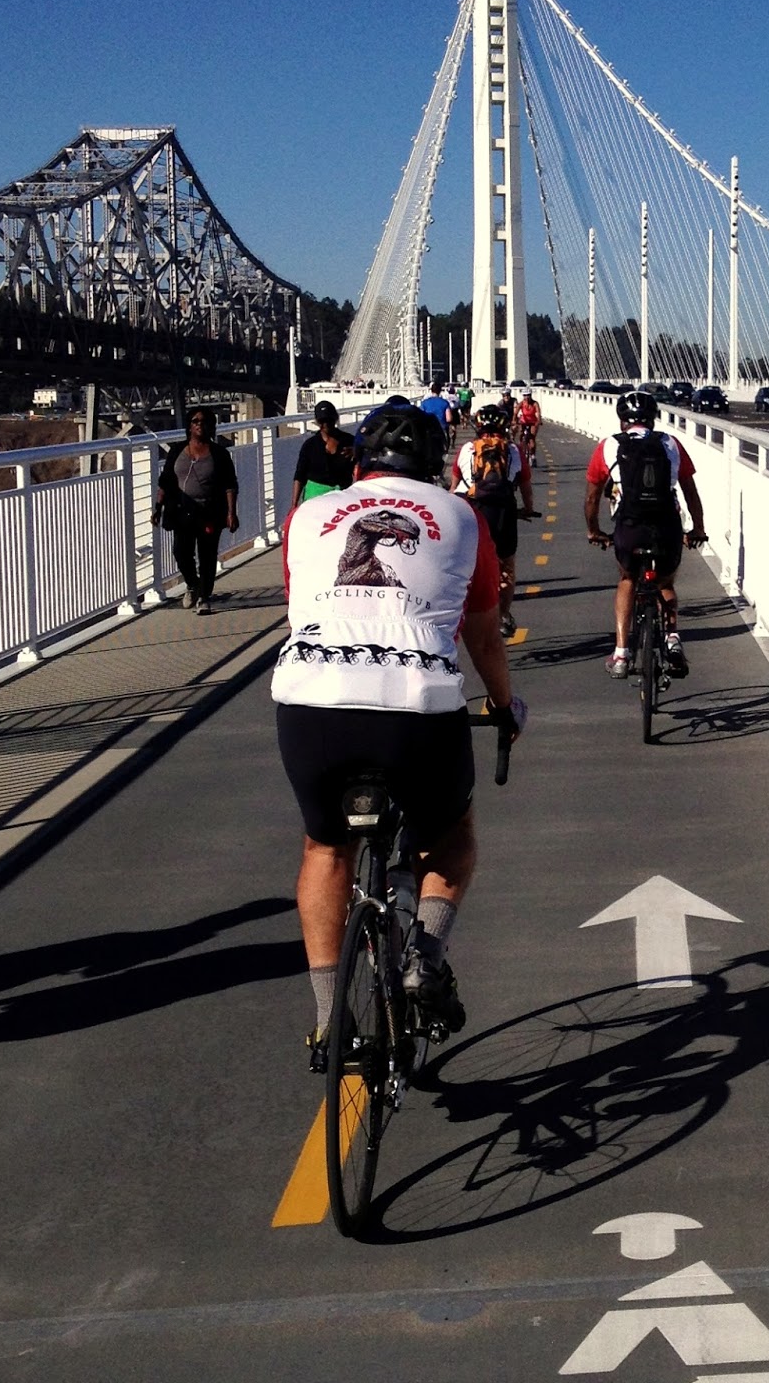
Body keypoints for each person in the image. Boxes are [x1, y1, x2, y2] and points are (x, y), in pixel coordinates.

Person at [273, 405, 527, 1070]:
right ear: (440, 463)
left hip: (311, 701)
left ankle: (330, 1021)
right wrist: (505, 707)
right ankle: (424, 956)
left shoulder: (305, 518)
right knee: (451, 839)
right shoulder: (463, 519)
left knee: (323, 847)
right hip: (418, 707)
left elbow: (301, 607)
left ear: (360, 462)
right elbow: (481, 638)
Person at [584, 390, 707, 679]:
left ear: (621, 420)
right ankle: (673, 638)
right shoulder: (670, 443)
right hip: (666, 525)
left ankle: (621, 654)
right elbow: (690, 492)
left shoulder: (608, 446)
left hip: (630, 526)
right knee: (665, 581)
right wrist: (698, 528)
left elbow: (591, 498)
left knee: (627, 578)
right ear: (653, 418)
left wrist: (594, 530)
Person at [450, 403, 536, 639]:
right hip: (502, 512)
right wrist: (528, 509)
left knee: (467, 565)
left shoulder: (467, 449)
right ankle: (503, 615)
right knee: (506, 567)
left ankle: (463, 609)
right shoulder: (514, 450)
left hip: (471, 511)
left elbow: (454, 485)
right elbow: (526, 487)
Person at [152, 407, 240, 615]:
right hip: (182, 510)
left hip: (210, 511)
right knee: (181, 553)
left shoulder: (219, 454)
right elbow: (165, 481)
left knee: (207, 555)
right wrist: (158, 507)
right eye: (195, 421)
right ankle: (192, 585)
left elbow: (230, 484)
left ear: (211, 426)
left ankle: (204, 597)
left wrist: (231, 512)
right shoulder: (177, 451)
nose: (199, 424)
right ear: (189, 426)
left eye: (204, 421)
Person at [289, 400, 356, 508]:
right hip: (314, 498)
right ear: (317, 422)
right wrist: (294, 505)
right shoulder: (309, 445)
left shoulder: (349, 441)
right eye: (322, 421)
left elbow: (362, 464)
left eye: (329, 420)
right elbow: (300, 476)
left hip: (342, 497)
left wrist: (357, 452)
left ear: (335, 418)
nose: (325, 424)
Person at [420, 380, 455, 450]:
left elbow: (420, 416)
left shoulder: (424, 403)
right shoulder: (445, 403)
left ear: (431, 390)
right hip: (442, 428)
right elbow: (449, 419)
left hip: (428, 429)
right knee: (443, 450)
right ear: (440, 391)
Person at [515, 388, 543, 467]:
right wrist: (514, 420)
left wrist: (538, 421)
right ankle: (522, 447)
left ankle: (533, 456)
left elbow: (538, 413)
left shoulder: (535, 404)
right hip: (523, 421)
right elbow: (516, 413)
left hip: (532, 422)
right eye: (525, 395)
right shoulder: (521, 403)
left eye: (528, 395)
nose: (526, 397)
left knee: (532, 438)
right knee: (520, 433)